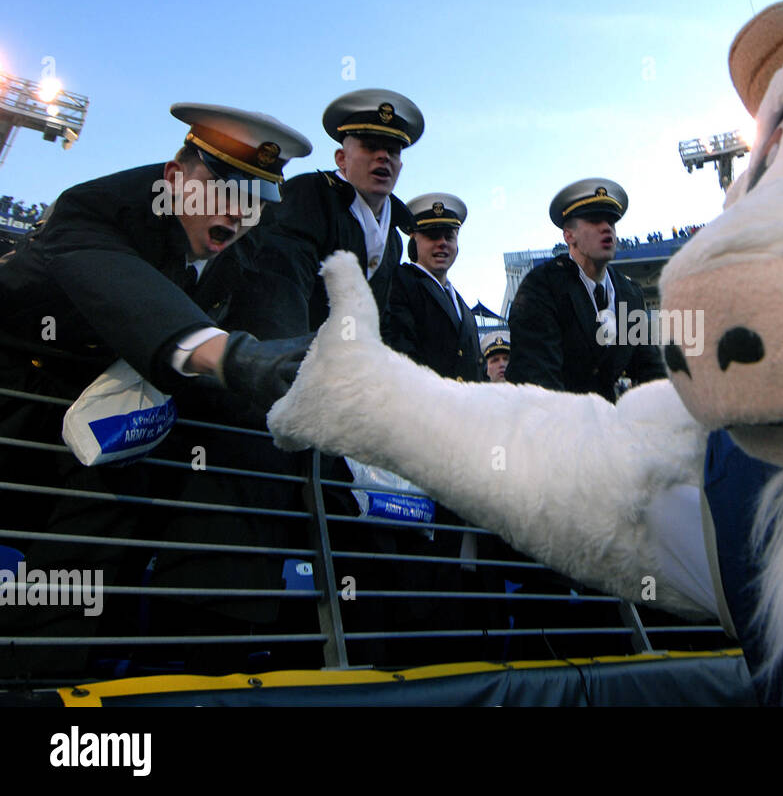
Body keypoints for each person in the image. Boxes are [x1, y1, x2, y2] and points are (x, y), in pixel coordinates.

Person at [0, 103, 313, 677]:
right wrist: (235, 357)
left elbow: (281, 338)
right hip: (29, 406)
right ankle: (31, 679)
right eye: (223, 190)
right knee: (94, 510)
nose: (240, 214)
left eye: (256, 201)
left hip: (129, 423)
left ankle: (191, 672)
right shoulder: (97, 210)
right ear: (174, 178)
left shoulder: (250, 253)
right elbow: (131, 295)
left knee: (217, 470)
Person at [234, 88, 424, 335]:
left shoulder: (394, 236)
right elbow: (280, 289)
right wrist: (292, 363)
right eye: (370, 146)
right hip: (296, 362)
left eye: (393, 151)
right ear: (341, 159)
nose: (383, 157)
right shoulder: (308, 196)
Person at [506, 178, 665, 403]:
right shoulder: (541, 286)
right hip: (559, 424)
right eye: (594, 220)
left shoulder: (629, 294)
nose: (606, 228)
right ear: (569, 235)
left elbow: (650, 369)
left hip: (611, 424)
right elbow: (537, 378)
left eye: (611, 221)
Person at [381, 193, 483, 380]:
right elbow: (400, 359)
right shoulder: (398, 283)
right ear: (413, 238)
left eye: (449, 236)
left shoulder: (464, 309)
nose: (442, 243)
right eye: (432, 236)